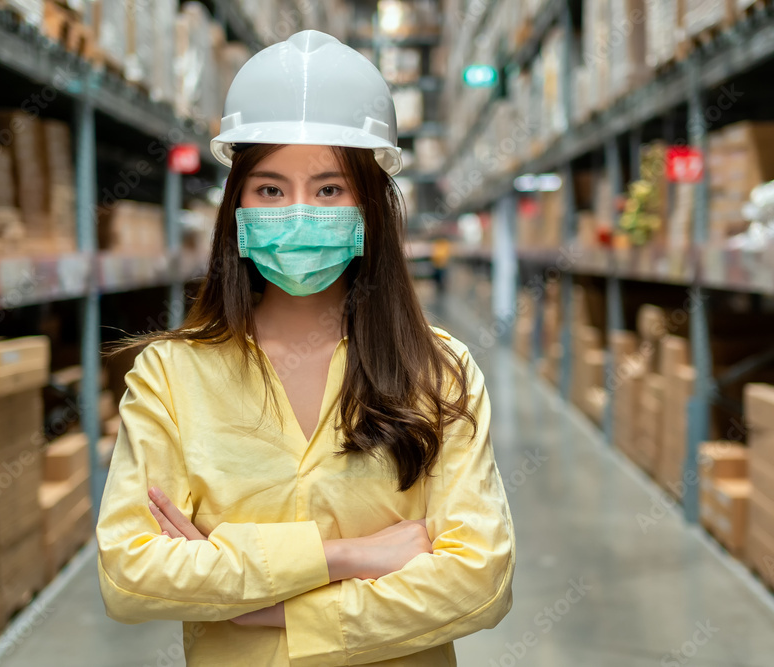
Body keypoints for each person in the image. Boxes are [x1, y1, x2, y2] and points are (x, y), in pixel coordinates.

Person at [95, 30, 516, 667]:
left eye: (328, 190)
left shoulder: (439, 372)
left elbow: (479, 581)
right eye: (270, 190)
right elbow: (131, 572)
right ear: (235, 206)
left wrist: (268, 604)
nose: (297, 214)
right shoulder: (170, 377)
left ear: (372, 207)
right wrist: (345, 556)